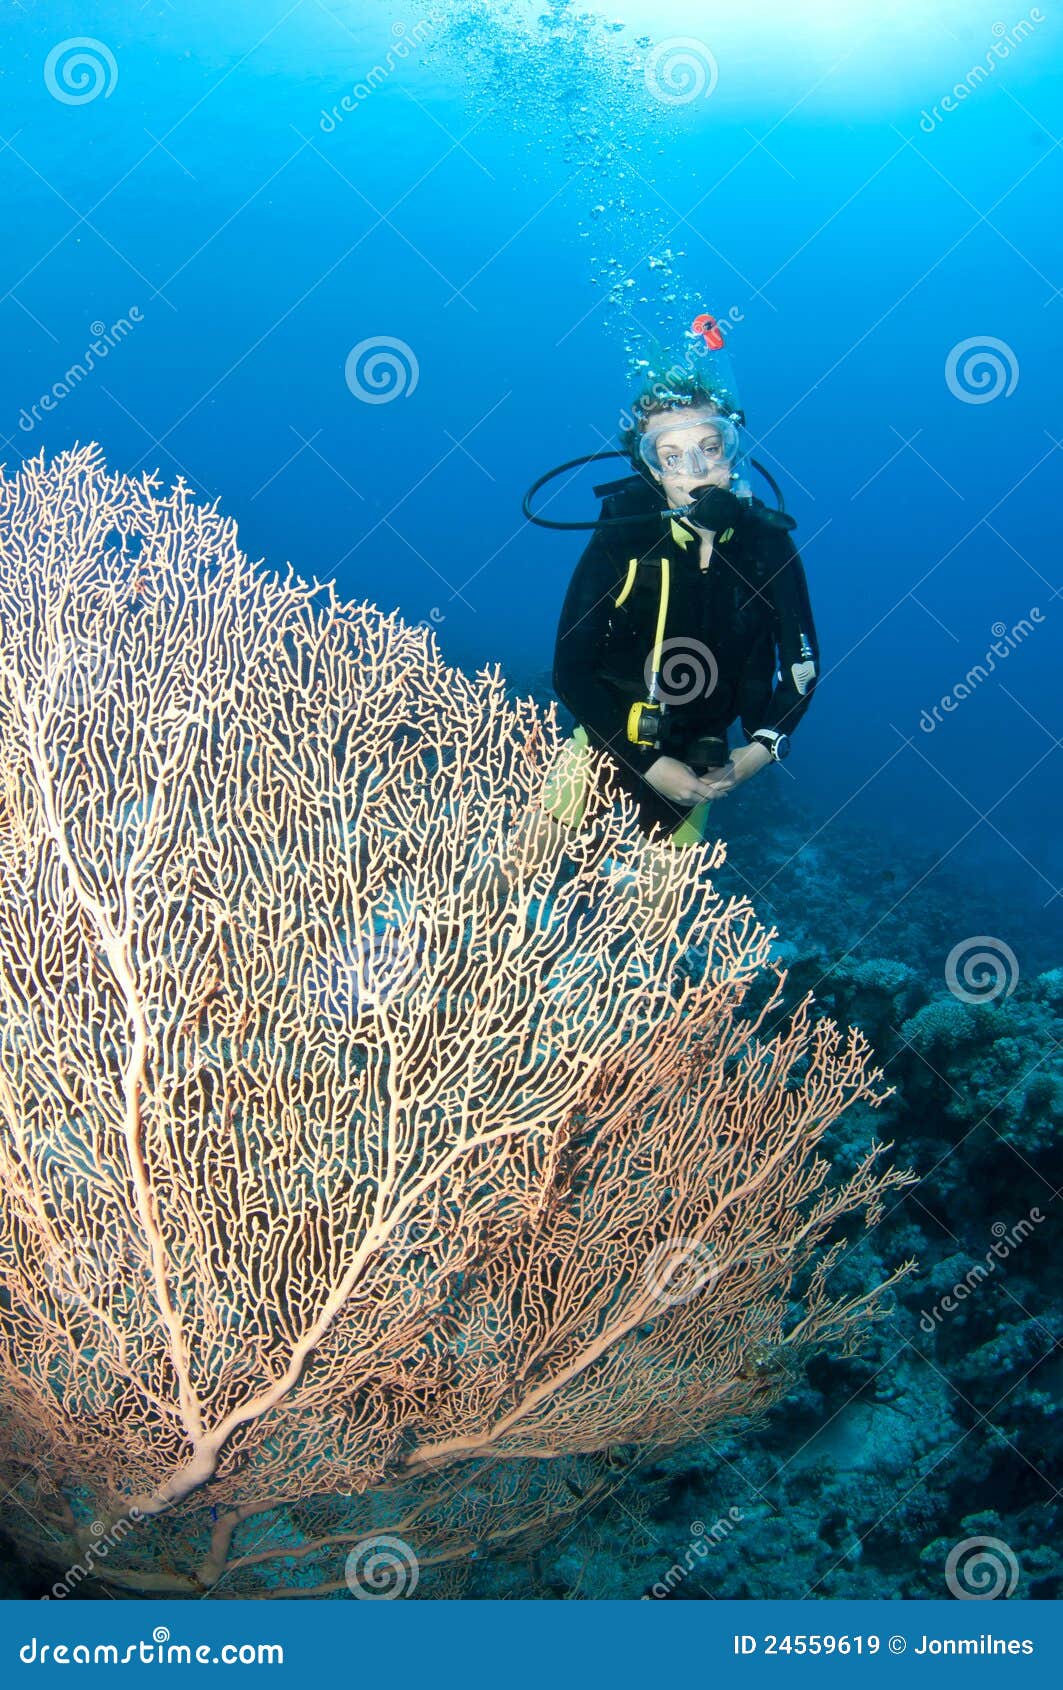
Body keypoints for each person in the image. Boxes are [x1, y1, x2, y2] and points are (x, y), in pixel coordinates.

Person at [545, 381, 819, 850]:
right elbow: (569, 670)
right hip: (605, 736)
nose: (696, 470)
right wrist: (645, 762)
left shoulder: (768, 543)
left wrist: (762, 748)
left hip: (699, 758)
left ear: (733, 452)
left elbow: (802, 665)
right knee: (522, 862)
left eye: (710, 448)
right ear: (651, 468)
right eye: (671, 456)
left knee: (662, 913)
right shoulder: (621, 536)